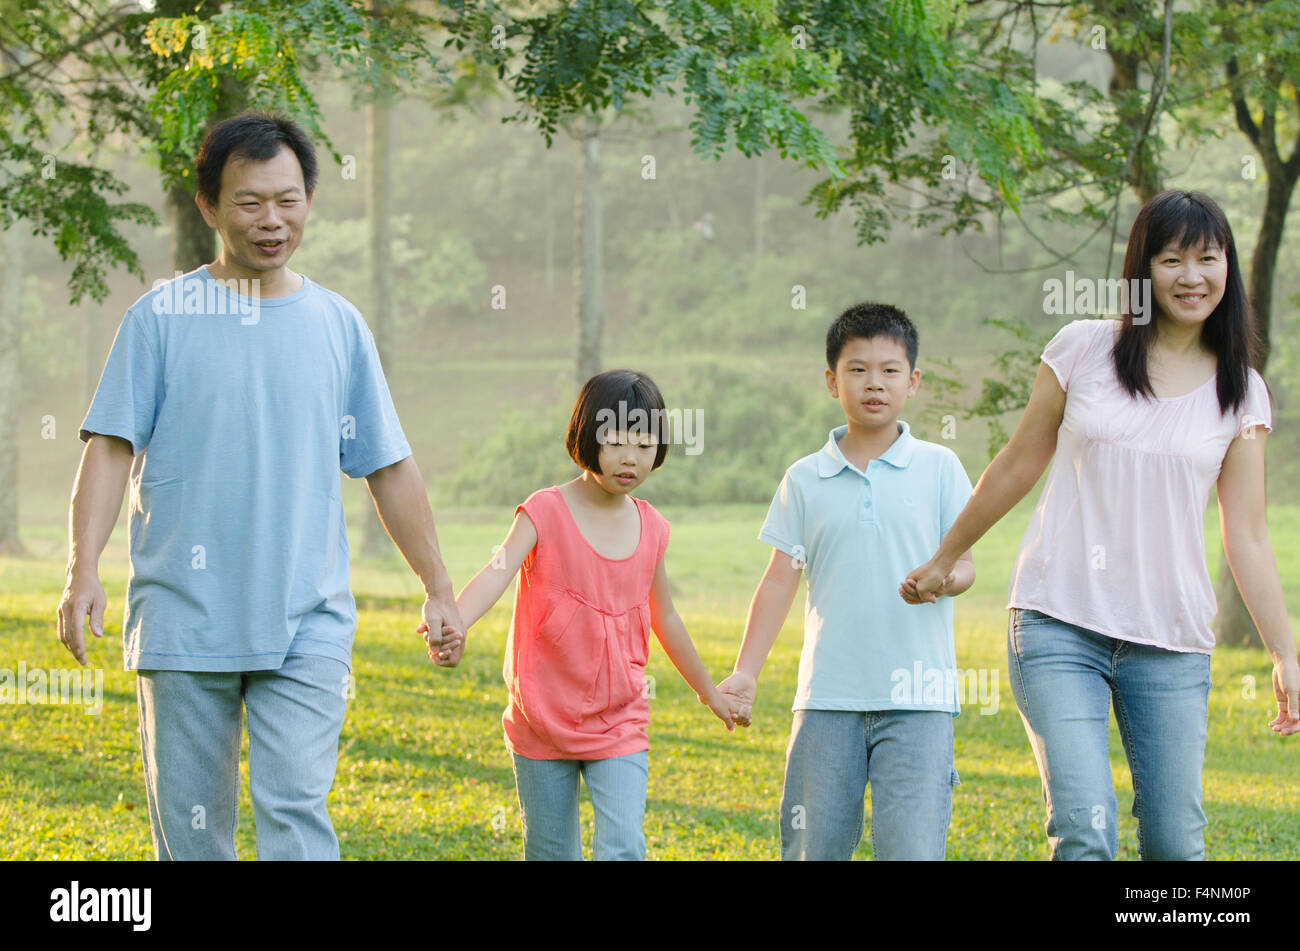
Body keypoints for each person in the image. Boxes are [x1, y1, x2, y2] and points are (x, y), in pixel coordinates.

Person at [56, 110, 464, 860]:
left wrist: (437, 583)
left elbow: (387, 463)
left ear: (309, 197)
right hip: (183, 621)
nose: (271, 220)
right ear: (208, 206)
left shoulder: (338, 326)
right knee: (193, 837)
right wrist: (82, 569)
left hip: (305, 620)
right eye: (249, 202)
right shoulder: (160, 319)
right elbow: (109, 449)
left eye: (287, 198)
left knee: (296, 818)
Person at [905, 189, 1300, 860]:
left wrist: (1285, 653)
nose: (1192, 276)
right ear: (1142, 269)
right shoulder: (1085, 348)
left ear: (1228, 268)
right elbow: (1018, 462)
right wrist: (947, 554)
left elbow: (1249, 534)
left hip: (1170, 641)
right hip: (1058, 621)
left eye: (1208, 258)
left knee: (1175, 845)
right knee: (1086, 828)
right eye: (1171, 259)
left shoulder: (1241, 390)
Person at [719, 303, 976, 860]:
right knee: (815, 847)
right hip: (827, 698)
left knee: (912, 850)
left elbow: (966, 565)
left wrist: (943, 578)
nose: (874, 383)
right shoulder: (804, 479)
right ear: (832, 381)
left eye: (889, 370)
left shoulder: (940, 468)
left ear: (914, 381)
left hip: (919, 700)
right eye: (857, 370)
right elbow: (778, 583)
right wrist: (745, 671)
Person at [454, 369, 740, 860]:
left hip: (619, 718)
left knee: (624, 847)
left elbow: (665, 617)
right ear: (586, 436)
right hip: (541, 718)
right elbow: (496, 573)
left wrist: (708, 691)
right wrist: (454, 621)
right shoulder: (544, 511)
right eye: (615, 441)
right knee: (550, 851)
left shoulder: (652, 528)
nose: (631, 458)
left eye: (645, 445)